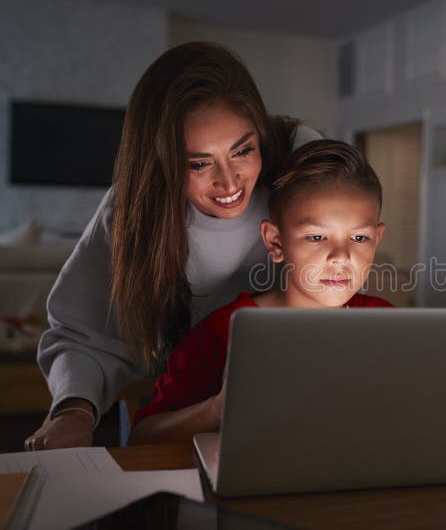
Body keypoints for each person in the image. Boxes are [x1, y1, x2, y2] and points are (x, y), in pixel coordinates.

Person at [25, 42, 321, 451]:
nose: (230, 182)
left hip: (297, 404)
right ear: (162, 161)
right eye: (199, 163)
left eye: (243, 151)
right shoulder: (131, 208)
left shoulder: (301, 158)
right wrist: (72, 413)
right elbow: (81, 332)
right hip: (179, 415)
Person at [128, 140, 392, 445]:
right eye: (317, 236)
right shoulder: (224, 331)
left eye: (359, 237)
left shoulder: (385, 322)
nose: (341, 257)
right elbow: (141, 438)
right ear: (275, 242)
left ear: (377, 238)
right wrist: (217, 410)